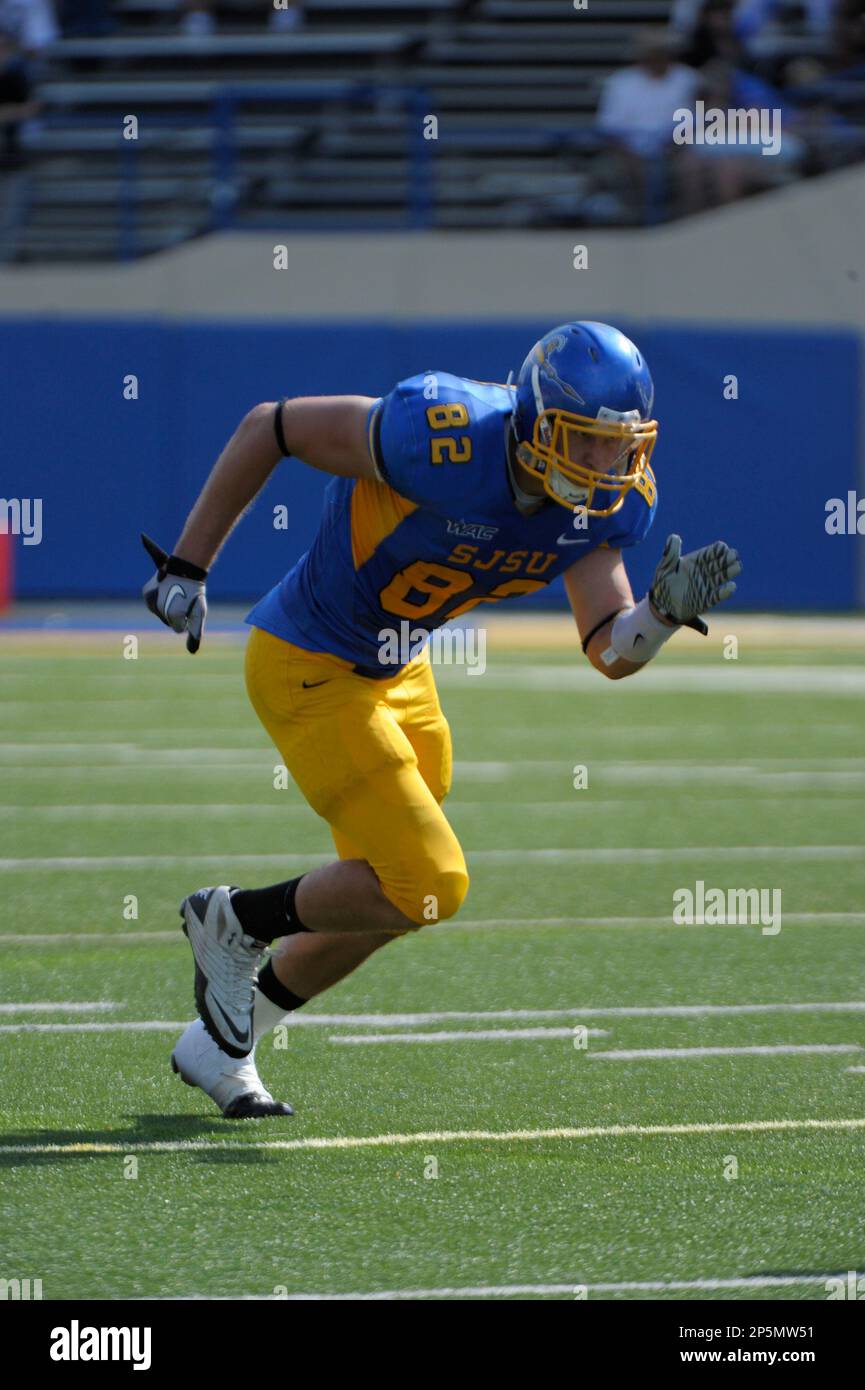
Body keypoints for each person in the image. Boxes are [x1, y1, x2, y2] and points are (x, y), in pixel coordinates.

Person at [142, 322, 741, 1117]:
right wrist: (188, 566)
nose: (602, 466)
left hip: (401, 672)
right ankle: (233, 920)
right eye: (583, 441)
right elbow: (270, 426)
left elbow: (607, 646)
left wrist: (660, 616)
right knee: (429, 884)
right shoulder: (439, 432)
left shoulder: (605, 506)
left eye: (615, 445)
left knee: (387, 898)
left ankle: (224, 1043)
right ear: (532, 420)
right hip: (309, 664)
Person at [596, 29, 699, 220]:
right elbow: (609, 128)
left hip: (677, 148)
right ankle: (631, 224)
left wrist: (673, 148)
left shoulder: (687, 78)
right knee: (613, 170)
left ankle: (689, 224)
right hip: (628, 151)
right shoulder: (621, 82)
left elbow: (696, 121)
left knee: (692, 168)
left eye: (662, 51)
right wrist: (631, 156)